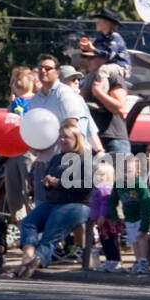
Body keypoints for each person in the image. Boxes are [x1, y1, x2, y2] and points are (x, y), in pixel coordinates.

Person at [5, 118, 91, 278]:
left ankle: (33, 262)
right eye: (61, 137)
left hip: (75, 204)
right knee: (29, 222)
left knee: (51, 231)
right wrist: (47, 182)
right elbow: (47, 179)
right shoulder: (56, 158)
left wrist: (59, 182)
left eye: (67, 137)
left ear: (76, 140)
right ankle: (28, 258)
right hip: (53, 201)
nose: (62, 140)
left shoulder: (84, 159)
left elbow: (86, 184)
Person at [28, 54, 102, 203]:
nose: (43, 71)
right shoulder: (35, 99)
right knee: (42, 206)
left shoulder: (65, 94)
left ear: (57, 72)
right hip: (43, 160)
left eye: (48, 68)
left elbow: (71, 124)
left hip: (66, 161)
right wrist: (34, 146)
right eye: (40, 68)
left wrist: (46, 143)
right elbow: (32, 128)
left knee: (65, 208)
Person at [80, 51, 131, 158]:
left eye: (92, 58)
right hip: (93, 139)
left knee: (118, 174)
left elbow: (120, 107)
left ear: (104, 59)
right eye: (86, 58)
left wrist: (99, 93)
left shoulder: (113, 77)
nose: (88, 61)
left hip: (113, 139)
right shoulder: (88, 79)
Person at [109, 155, 150, 275]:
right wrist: (114, 216)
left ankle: (144, 261)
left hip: (142, 216)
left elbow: (146, 205)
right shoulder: (118, 184)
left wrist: (145, 225)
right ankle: (138, 260)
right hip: (129, 216)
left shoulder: (140, 185)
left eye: (128, 171)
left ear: (137, 172)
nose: (125, 174)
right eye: (122, 171)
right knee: (133, 239)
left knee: (141, 237)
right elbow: (112, 200)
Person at [4, 66, 36, 216]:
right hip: (12, 151)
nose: (13, 83)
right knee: (14, 193)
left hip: (27, 150)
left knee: (27, 189)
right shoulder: (16, 102)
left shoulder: (33, 101)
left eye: (17, 79)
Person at [79, 7, 131, 82]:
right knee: (91, 76)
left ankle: (100, 91)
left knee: (103, 70)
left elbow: (109, 55)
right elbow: (93, 51)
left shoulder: (115, 37)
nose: (96, 22)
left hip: (121, 67)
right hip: (108, 66)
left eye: (99, 20)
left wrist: (92, 49)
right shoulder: (101, 37)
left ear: (106, 22)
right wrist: (85, 47)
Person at [88, 157, 122, 272]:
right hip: (101, 220)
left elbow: (105, 203)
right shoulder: (98, 189)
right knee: (104, 240)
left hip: (107, 220)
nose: (98, 177)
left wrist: (102, 215)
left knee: (110, 240)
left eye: (101, 175)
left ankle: (114, 261)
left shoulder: (105, 189)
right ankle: (110, 260)